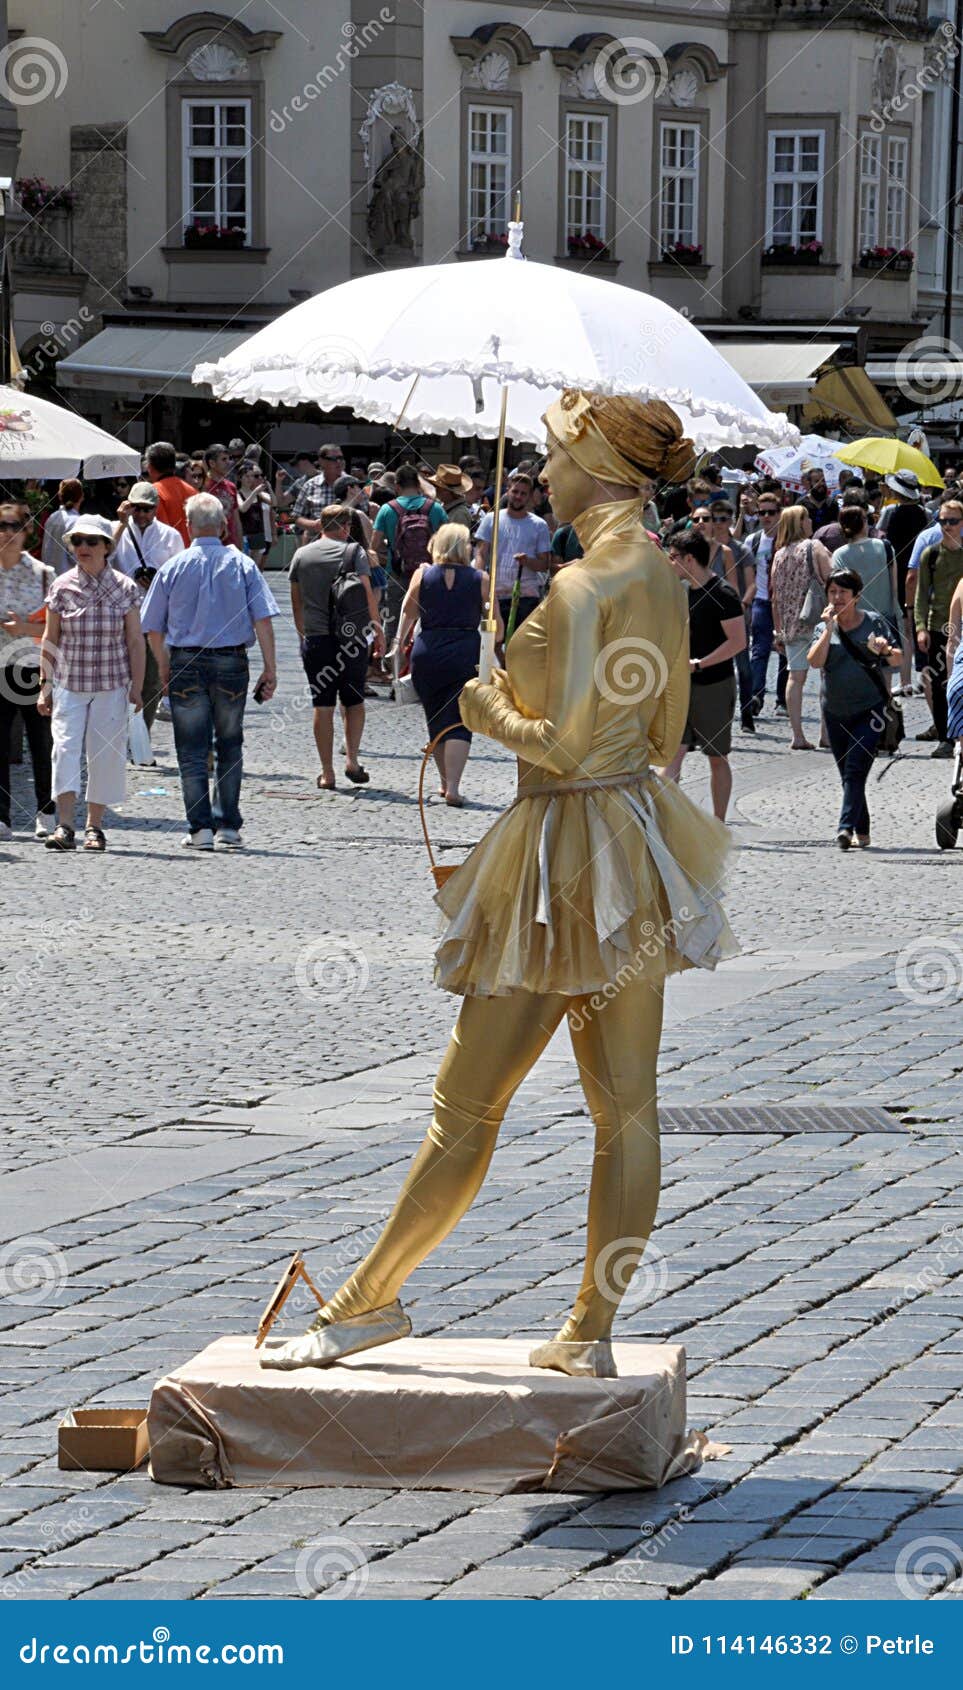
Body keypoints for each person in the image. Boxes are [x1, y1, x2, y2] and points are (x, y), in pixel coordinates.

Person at [262, 390, 735, 1377]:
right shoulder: (658, 572)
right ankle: (587, 1335)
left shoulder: (581, 586)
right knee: (626, 1111)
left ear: (597, 466)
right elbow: (661, 728)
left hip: (558, 853)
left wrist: (482, 702)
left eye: (554, 457)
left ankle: (365, 1305)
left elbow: (556, 745)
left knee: (466, 1102)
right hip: (632, 841)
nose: (541, 474)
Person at [140, 492, 279, 850]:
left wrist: (164, 666)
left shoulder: (173, 567)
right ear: (221, 526)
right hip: (231, 661)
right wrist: (270, 667)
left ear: (188, 526)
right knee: (229, 743)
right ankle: (228, 825)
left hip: (185, 661)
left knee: (191, 749)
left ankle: (200, 829)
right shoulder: (243, 565)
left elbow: (152, 627)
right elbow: (263, 619)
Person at [37, 514, 144, 853]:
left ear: (106, 547)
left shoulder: (125, 587)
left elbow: (135, 640)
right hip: (69, 682)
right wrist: (44, 685)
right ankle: (64, 825)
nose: (83, 547)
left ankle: (94, 827)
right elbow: (50, 637)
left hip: (112, 683)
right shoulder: (61, 585)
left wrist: (138, 686)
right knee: (64, 750)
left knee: (105, 754)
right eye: (77, 541)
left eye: (91, 541)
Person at [399, 522, 499, 807]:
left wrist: (398, 646)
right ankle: (454, 787)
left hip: (427, 650)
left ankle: (444, 783)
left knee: (435, 717)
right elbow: (497, 626)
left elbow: (408, 612)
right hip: (465, 651)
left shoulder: (422, 574)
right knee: (459, 719)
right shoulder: (481, 579)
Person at [289, 504, 383, 790]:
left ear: (320, 525)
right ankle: (352, 760)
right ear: (346, 527)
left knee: (322, 705)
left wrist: (304, 635)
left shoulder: (302, 555)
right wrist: (377, 629)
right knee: (354, 701)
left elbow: (296, 602)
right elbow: (366, 593)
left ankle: (327, 772)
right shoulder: (355, 553)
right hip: (352, 639)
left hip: (317, 639)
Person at [807, 567, 901, 849]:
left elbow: (898, 659)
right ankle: (863, 829)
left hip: (871, 710)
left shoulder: (873, 622)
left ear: (856, 596)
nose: (837, 598)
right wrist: (829, 630)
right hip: (835, 712)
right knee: (848, 773)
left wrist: (885, 650)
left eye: (843, 592)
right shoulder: (823, 627)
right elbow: (815, 661)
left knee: (855, 769)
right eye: (832, 592)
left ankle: (845, 828)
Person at [663, 529, 746, 821]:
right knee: (673, 754)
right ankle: (664, 823)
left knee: (716, 757)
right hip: (681, 686)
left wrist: (700, 664)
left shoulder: (723, 594)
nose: (670, 562)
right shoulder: (680, 591)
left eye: (673, 557)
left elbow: (738, 642)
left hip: (714, 686)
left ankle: (719, 823)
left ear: (689, 559)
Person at [109, 481, 183, 737]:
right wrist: (120, 524)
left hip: (155, 618)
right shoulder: (115, 530)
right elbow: (102, 559)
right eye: (136, 508)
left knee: (151, 681)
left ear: (156, 508)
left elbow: (180, 577)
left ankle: (141, 735)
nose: (141, 514)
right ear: (127, 506)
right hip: (120, 617)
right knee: (119, 679)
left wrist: (157, 582)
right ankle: (118, 733)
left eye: (147, 509)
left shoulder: (170, 536)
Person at [0, 503, 55, 840]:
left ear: (26, 531)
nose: (7, 532)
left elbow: (58, 626)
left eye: (14, 526)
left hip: (33, 666)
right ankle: (1, 817)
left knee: (41, 743)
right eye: (2, 525)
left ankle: (46, 812)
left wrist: (23, 628)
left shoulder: (43, 573)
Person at [768, 505, 832, 751]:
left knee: (795, 678)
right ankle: (825, 734)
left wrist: (778, 630)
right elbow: (832, 578)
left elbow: (775, 597)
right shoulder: (814, 547)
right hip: (818, 621)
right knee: (827, 676)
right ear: (799, 522)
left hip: (791, 625)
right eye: (807, 517)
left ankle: (797, 735)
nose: (811, 521)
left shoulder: (779, 555)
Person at [372, 462, 446, 650]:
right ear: (418, 484)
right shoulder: (435, 508)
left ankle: (391, 661)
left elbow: (373, 546)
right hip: (430, 575)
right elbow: (447, 541)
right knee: (428, 620)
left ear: (396, 486)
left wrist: (388, 555)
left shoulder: (387, 509)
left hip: (397, 573)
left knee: (393, 621)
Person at [914, 499, 963, 758]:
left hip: (962, 628)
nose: (947, 526)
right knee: (940, 684)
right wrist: (920, 627)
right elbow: (921, 594)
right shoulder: (930, 554)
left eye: (952, 521)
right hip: (937, 628)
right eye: (942, 521)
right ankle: (945, 738)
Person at [474, 470, 552, 632]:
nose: (518, 496)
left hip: (526, 597)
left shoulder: (539, 525)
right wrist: (479, 581)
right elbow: (481, 553)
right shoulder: (491, 519)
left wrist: (527, 561)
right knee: (492, 641)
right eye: (515, 491)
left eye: (523, 493)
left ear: (529, 496)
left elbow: (544, 564)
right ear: (507, 491)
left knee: (520, 643)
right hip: (495, 596)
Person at [746, 484, 788, 718]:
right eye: (761, 512)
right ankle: (756, 696)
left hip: (784, 603)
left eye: (771, 512)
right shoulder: (753, 540)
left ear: (780, 513)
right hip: (762, 601)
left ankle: (782, 699)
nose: (766, 517)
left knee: (785, 651)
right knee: (759, 650)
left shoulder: (788, 541)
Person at [832, 501, 900, 643]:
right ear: (864, 522)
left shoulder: (839, 555)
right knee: (887, 655)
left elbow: (840, 591)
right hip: (886, 619)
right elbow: (895, 587)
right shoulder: (885, 546)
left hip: (855, 622)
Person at [145, 441, 196, 545]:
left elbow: (161, 532)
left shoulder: (153, 492)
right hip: (192, 549)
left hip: (170, 551)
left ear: (150, 467)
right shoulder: (193, 491)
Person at [291, 444, 346, 531]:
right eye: (333, 459)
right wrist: (314, 525)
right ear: (321, 461)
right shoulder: (310, 485)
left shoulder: (354, 485)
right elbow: (296, 516)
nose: (339, 462)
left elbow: (365, 516)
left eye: (341, 458)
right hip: (317, 537)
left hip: (347, 538)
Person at [203, 445, 243, 549]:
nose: (229, 462)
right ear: (212, 463)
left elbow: (236, 520)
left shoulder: (231, 486)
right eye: (224, 459)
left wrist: (240, 545)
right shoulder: (203, 486)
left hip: (231, 545)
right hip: (210, 545)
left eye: (229, 459)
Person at [41, 479, 84, 576]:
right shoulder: (77, 522)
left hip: (49, 576)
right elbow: (76, 556)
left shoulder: (52, 517)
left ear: (60, 496)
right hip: (68, 578)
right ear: (81, 497)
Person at [237, 463, 276, 569]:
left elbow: (274, 503)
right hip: (245, 534)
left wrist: (269, 488)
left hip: (258, 533)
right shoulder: (238, 493)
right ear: (240, 478)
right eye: (247, 476)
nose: (250, 479)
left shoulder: (258, 494)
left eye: (252, 476)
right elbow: (243, 508)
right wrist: (255, 492)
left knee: (255, 568)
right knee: (245, 566)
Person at [419, 464, 474, 532]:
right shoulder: (444, 506)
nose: (434, 489)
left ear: (446, 491)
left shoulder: (459, 514)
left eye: (436, 486)